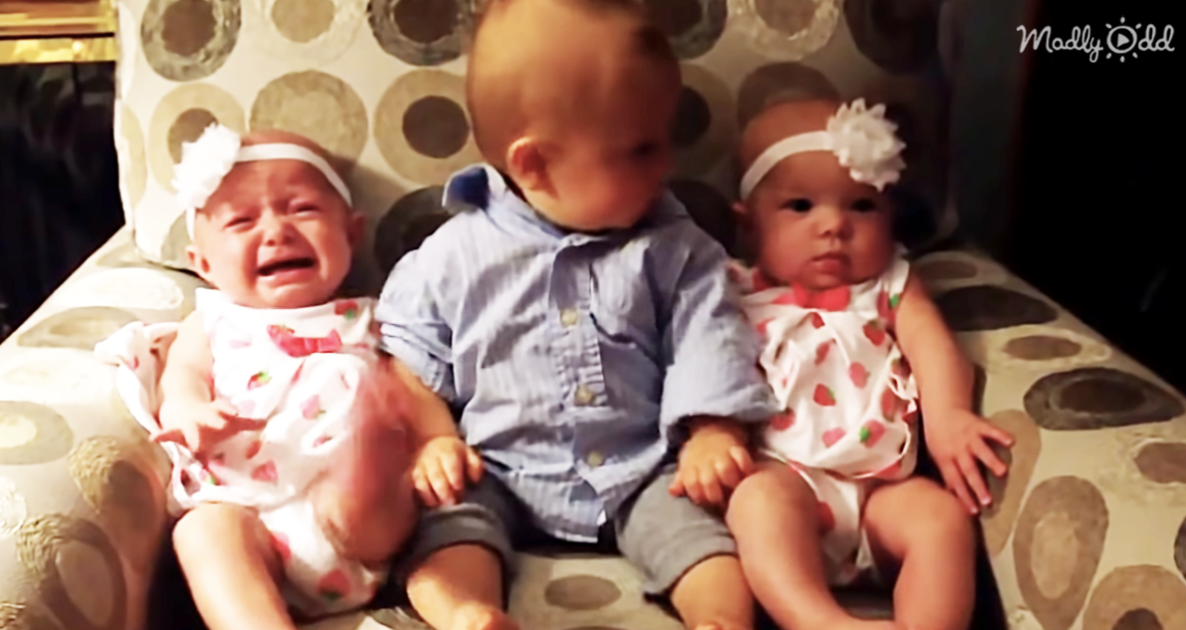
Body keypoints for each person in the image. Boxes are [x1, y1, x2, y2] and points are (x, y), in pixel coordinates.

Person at [374, 1, 779, 629]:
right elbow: (406, 361)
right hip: (495, 467)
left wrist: (714, 432)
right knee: (446, 524)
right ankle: (467, 616)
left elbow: (712, 337)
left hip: (642, 471)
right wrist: (433, 439)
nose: (667, 163)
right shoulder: (450, 256)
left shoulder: (674, 249)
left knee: (705, 544)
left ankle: (718, 622)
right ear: (534, 163)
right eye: (641, 149)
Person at [723, 98, 1016, 630]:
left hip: (884, 490)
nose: (834, 225)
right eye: (801, 206)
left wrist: (948, 418)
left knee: (942, 521)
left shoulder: (891, 286)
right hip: (791, 479)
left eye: (862, 205)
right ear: (748, 226)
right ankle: (821, 622)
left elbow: (934, 348)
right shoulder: (733, 292)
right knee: (757, 503)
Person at [152, 124, 440, 630]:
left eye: (302, 209)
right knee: (201, 532)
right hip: (247, 510)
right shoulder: (215, 320)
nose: (276, 231)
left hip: (350, 523)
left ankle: (369, 467)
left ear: (351, 233)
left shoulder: (373, 317)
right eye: (241, 220)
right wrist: (191, 412)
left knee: (370, 471)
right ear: (202, 265)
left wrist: (438, 440)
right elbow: (181, 378)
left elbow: (409, 386)